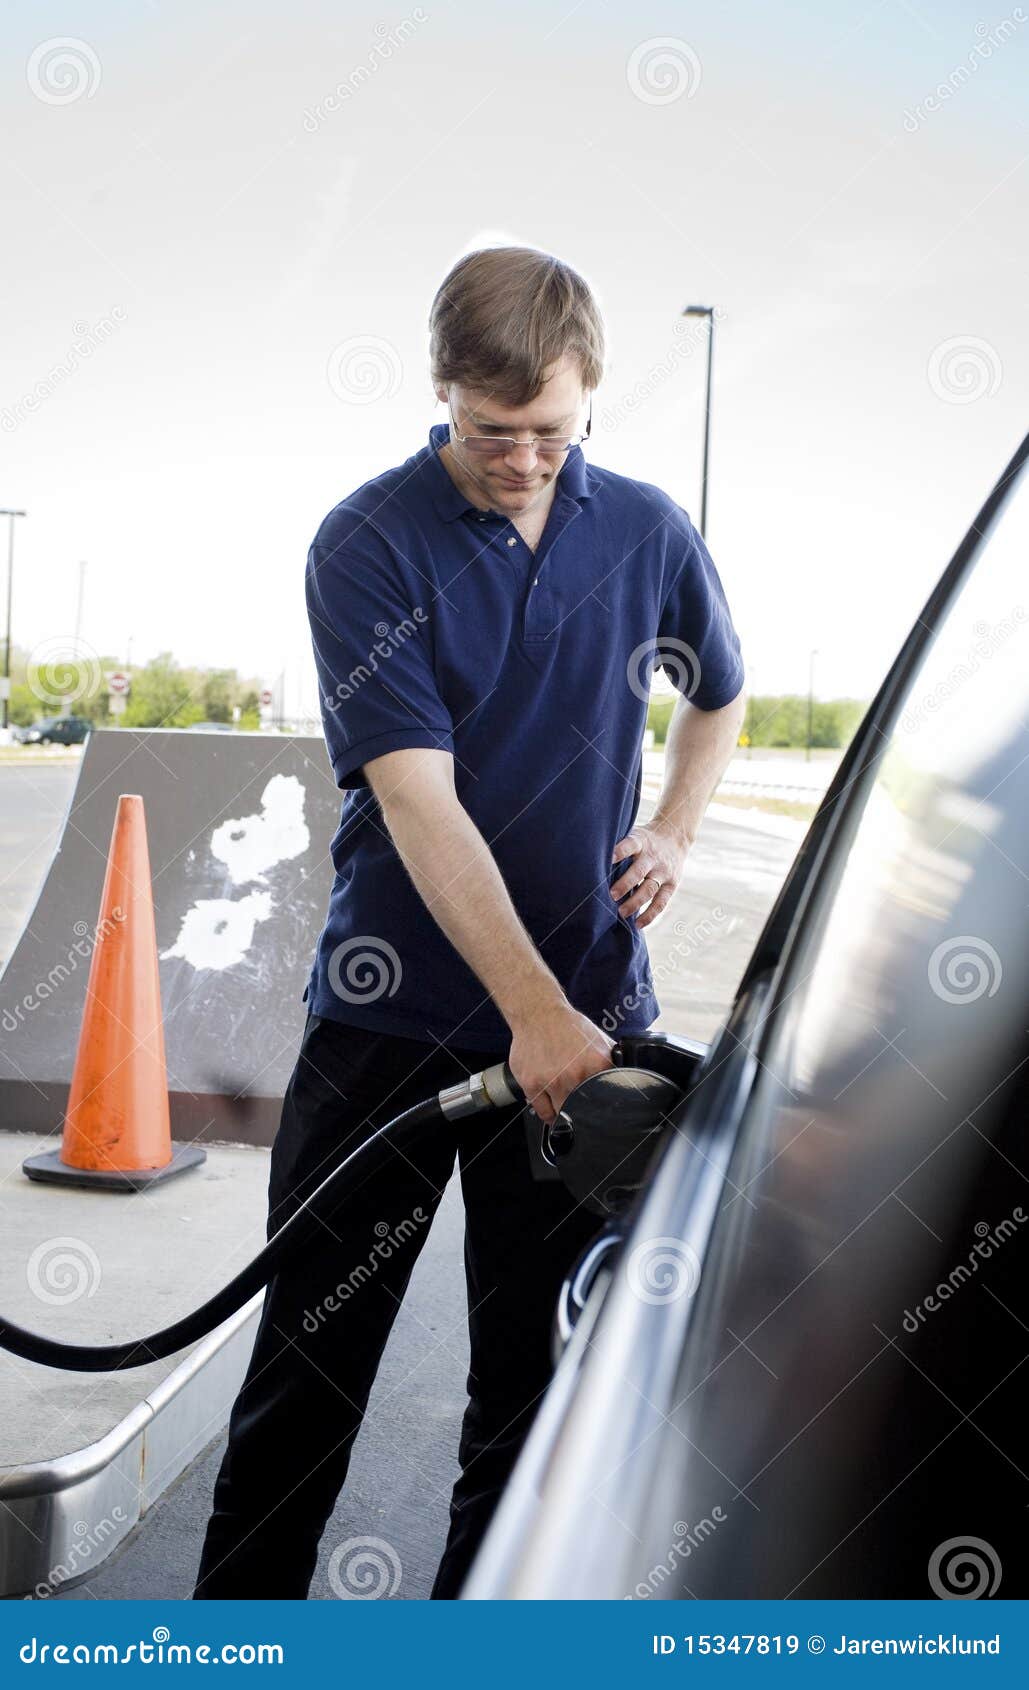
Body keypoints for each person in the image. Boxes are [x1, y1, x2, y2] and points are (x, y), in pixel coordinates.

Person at [194, 245, 746, 1600]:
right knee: (306, 1379)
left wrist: (673, 828)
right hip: (388, 1023)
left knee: (531, 1391)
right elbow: (419, 801)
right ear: (441, 388)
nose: (525, 460)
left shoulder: (648, 530)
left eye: (553, 431)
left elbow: (717, 694)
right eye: (494, 432)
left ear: (591, 394)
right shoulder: (367, 541)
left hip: (588, 1024)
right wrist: (531, 1012)